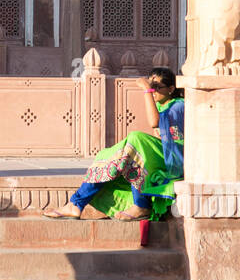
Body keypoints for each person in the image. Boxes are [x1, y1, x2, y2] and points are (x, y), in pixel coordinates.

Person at [42, 66, 184, 222]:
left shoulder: (178, 106)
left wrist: (146, 90)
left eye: (157, 87)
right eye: (151, 86)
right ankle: (76, 204)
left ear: (171, 89)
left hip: (175, 159)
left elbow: (154, 122)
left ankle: (140, 205)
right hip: (162, 154)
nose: (153, 90)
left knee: (136, 139)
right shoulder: (161, 105)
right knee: (107, 156)